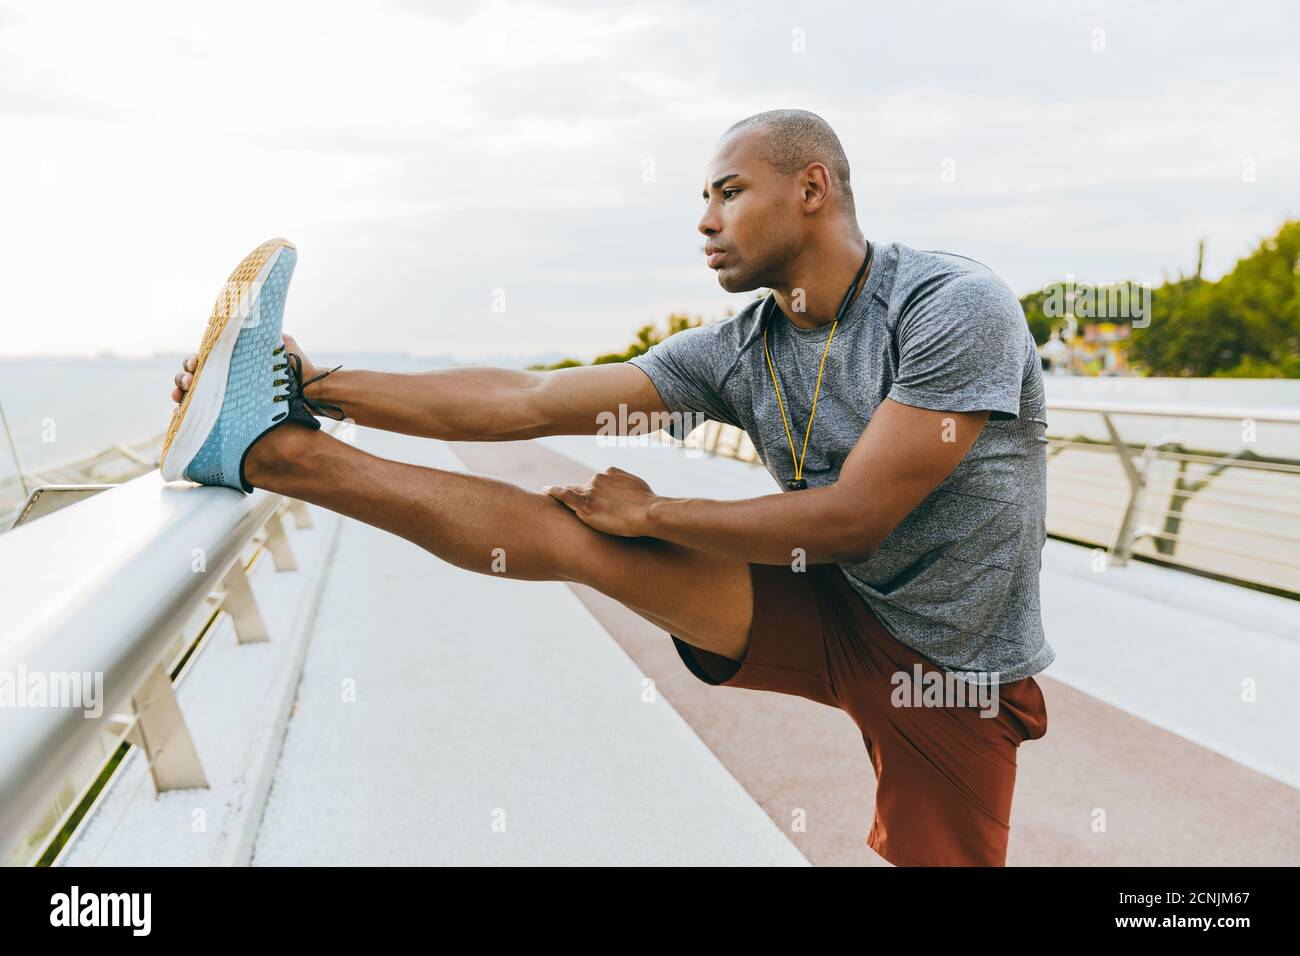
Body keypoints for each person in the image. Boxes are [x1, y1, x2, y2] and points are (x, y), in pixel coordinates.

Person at [164, 109, 1052, 867]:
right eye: (703, 199)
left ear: (811, 189)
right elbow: (529, 399)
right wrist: (317, 387)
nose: (705, 220)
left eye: (728, 192)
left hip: (954, 670)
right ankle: (274, 452)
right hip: (829, 605)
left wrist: (659, 512)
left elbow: (858, 518)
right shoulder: (738, 351)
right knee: (579, 537)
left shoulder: (949, 305)